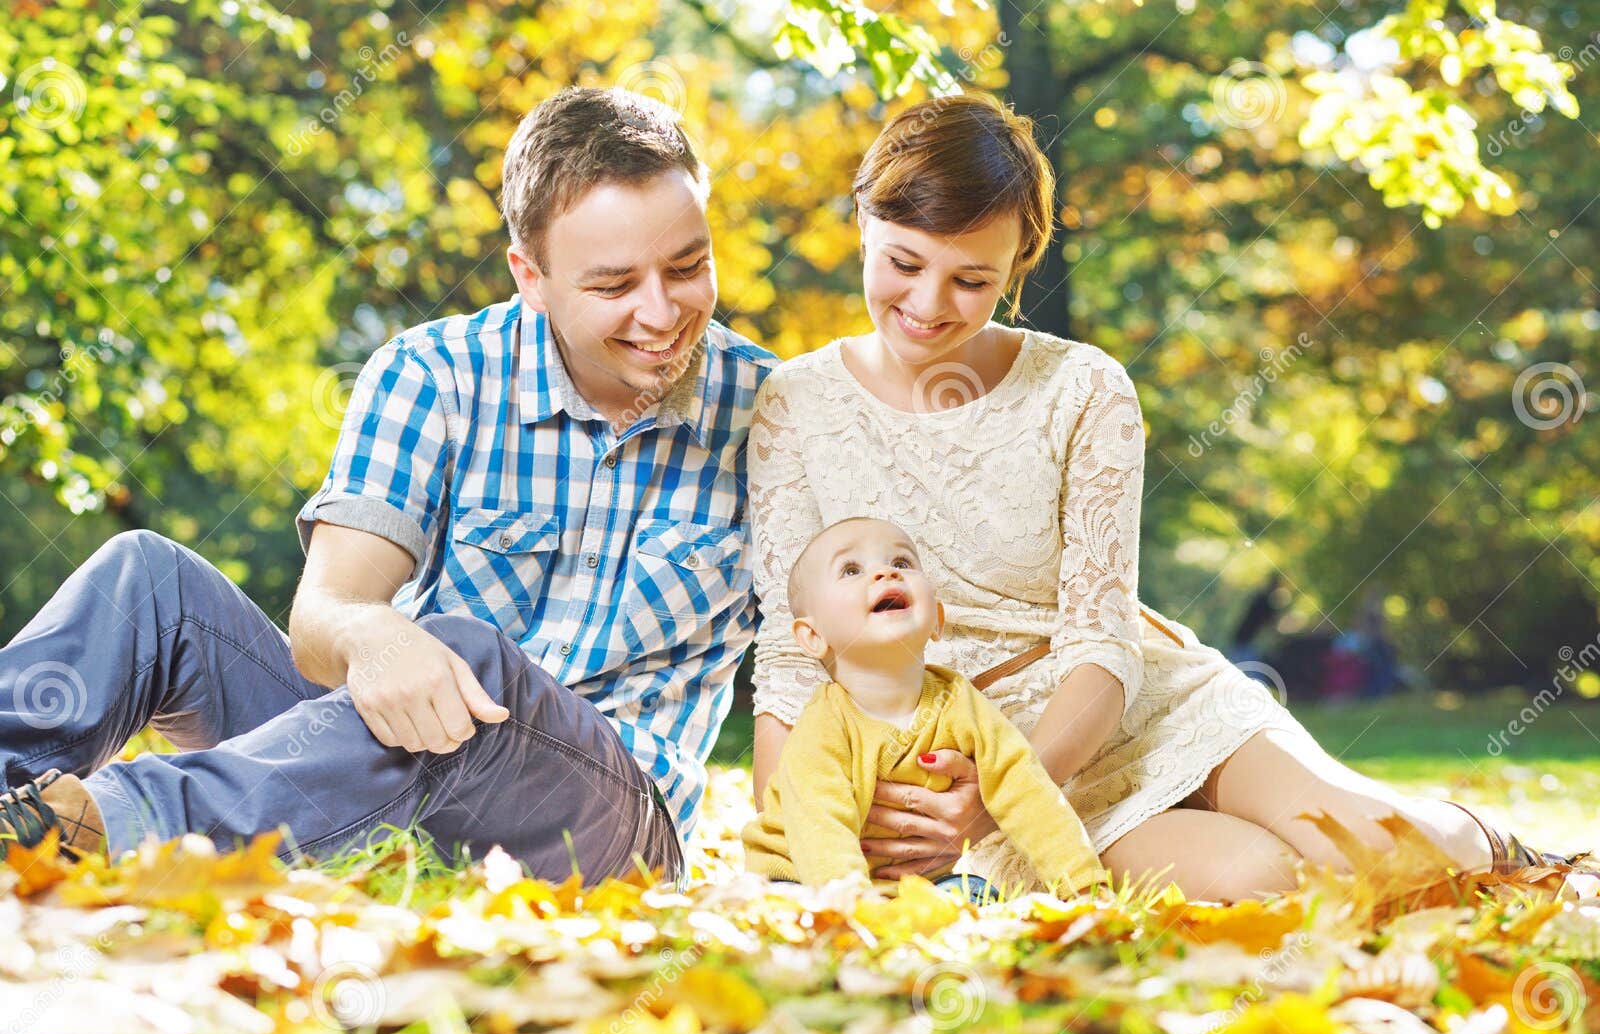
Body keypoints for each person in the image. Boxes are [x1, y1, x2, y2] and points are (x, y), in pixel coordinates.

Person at [747, 93, 1558, 902]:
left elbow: (1103, 639)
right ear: (862, 219)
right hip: (985, 768)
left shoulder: (1081, 387)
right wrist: (803, 852)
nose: (927, 305)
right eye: (904, 263)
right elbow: (791, 658)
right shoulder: (796, 403)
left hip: (1133, 711)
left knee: (1369, 850)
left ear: (1018, 265)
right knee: (1278, 885)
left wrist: (997, 797)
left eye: (971, 280)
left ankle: (1493, 844)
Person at [0, 87, 773, 883]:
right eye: (614, 286)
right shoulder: (434, 373)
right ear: (531, 277)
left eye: (688, 267)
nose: (662, 311)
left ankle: (106, 829)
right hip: (383, 766)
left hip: (608, 833)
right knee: (146, 578)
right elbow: (326, 612)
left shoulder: (779, 415)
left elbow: (835, 665)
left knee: (470, 657)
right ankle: (7, 810)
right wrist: (375, 638)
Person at [742, 517, 1107, 900]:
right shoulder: (825, 724)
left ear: (937, 618)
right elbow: (819, 825)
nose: (885, 573)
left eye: (901, 563)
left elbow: (1028, 790)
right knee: (782, 908)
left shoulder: (959, 702)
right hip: (801, 876)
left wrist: (1083, 885)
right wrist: (852, 907)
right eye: (851, 569)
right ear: (813, 636)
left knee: (978, 895)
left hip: (912, 884)